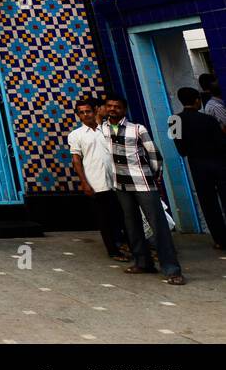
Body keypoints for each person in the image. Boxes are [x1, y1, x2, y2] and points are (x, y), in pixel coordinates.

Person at [103, 98, 184, 285]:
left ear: (124, 109)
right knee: (131, 224)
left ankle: (172, 268)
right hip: (120, 184)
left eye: (117, 107)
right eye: (110, 106)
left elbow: (154, 154)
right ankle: (143, 262)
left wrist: (154, 176)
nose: (113, 110)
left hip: (142, 183)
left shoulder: (137, 129)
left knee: (158, 225)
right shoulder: (103, 130)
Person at [67, 97, 126, 260]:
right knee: (104, 219)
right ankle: (113, 250)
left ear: (95, 111)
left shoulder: (107, 130)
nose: (86, 115)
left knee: (123, 215)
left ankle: (128, 245)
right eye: (82, 113)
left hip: (117, 180)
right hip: (96, 182)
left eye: (88, 111)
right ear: (78, 116)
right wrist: (84, 182)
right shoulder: (76, 135)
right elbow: (76, 160)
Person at [172, 87, 226, 249]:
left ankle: (220, 239)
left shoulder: (173, 120)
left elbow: (180, 149)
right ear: (197, 100)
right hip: (218, 162)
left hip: (197, 164)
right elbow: (222, 143)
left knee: (208, 203)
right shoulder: (209, 119)